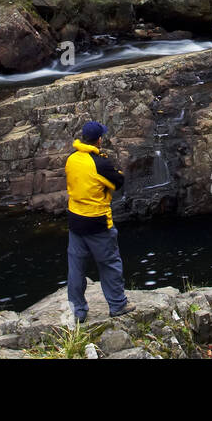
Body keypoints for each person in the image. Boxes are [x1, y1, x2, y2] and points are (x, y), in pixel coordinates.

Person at [64, 120, 134, 321]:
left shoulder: (71, 159)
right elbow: (117, 182)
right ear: (99, 139)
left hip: (75, 220)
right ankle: (118, 305)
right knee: (109, 263)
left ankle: (77, 311)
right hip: (97, 221)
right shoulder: (99, 163)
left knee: (76, 267)